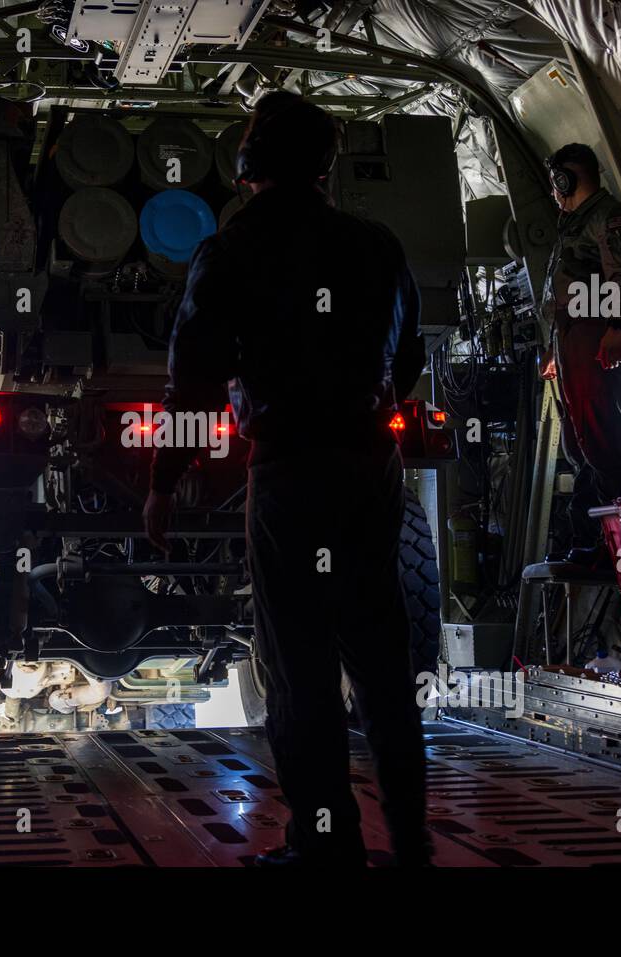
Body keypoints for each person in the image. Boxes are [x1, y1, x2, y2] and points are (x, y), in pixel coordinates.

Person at [142, 91, 429, 867]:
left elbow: (194, 383)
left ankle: (326, 844)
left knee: (298, 666)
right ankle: (411, 845)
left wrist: (166, 481)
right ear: (326, 168)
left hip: (291, 474)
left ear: (247, 165)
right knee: (381, 658)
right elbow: (409, 359)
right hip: (373, 470)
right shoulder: (377, 244)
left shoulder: (232, 250)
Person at [538, 143, 621, 571]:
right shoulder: (575, 223)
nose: (553, 191)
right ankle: (594, 539)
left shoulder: (608, 217)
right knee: (581, 439)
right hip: (572, 339)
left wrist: (618, 328)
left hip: (595, 335)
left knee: (604, 436)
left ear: (566, 179)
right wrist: (553, 346)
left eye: (556, 182)